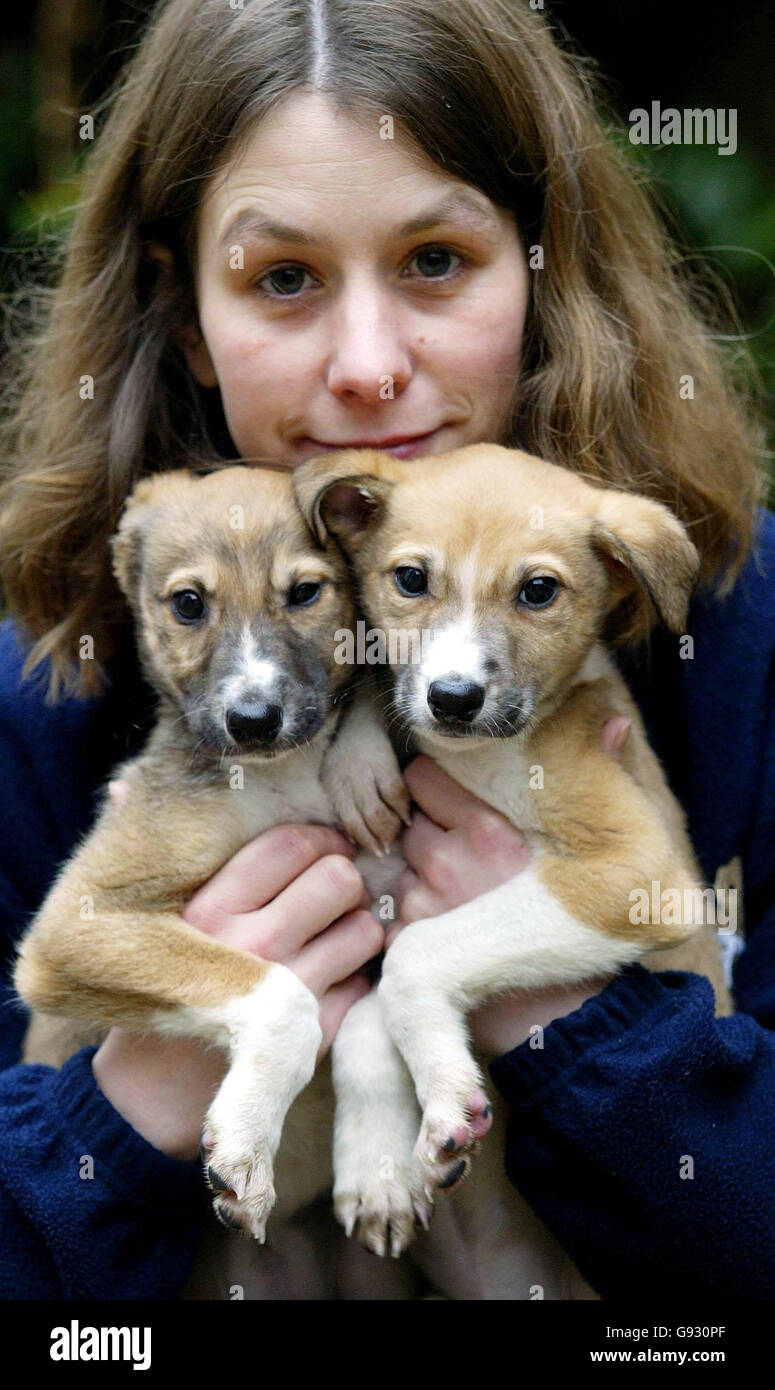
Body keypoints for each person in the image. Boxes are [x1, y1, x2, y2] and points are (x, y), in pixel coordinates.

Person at [0, 0, 773, 1300]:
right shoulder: (50, 672)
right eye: (283, 278)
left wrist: (566, 1015)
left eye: (434, 260)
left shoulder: (736, 624)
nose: (368, 368)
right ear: (185, 316)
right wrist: (144, 1085)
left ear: (541, 261)